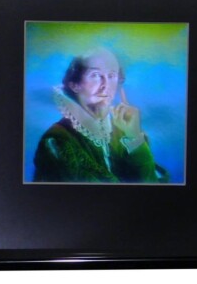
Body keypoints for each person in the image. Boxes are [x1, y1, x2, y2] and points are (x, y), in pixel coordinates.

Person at [33, 48, 162, 183]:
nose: (105, 85)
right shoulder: (57, 140)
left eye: (111, 76)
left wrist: (134, 136)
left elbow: (150, 185)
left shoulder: (124, 132)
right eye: (95, 75)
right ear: (75, 85)